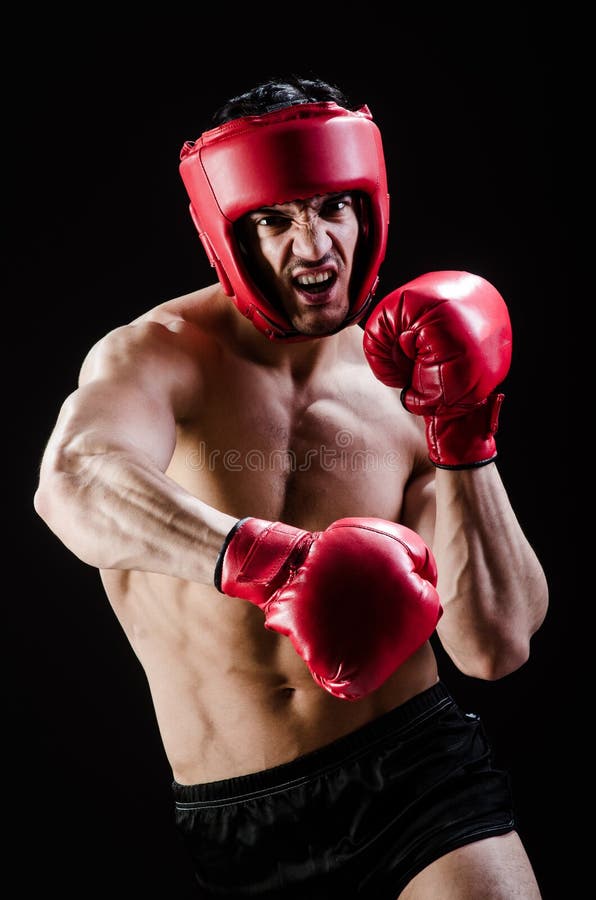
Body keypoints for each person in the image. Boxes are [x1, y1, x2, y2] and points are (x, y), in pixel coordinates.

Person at [34, 75, 549, 898]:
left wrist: (466, 431)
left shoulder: (403, 382)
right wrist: (270, 561)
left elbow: (495, 646)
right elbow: (73, 485)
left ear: (370, 209)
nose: (312, 249)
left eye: (332, 208)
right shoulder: (157, 356)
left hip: (417, 776)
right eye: (274, 220)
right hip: (235, 812)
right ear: (226, 235)